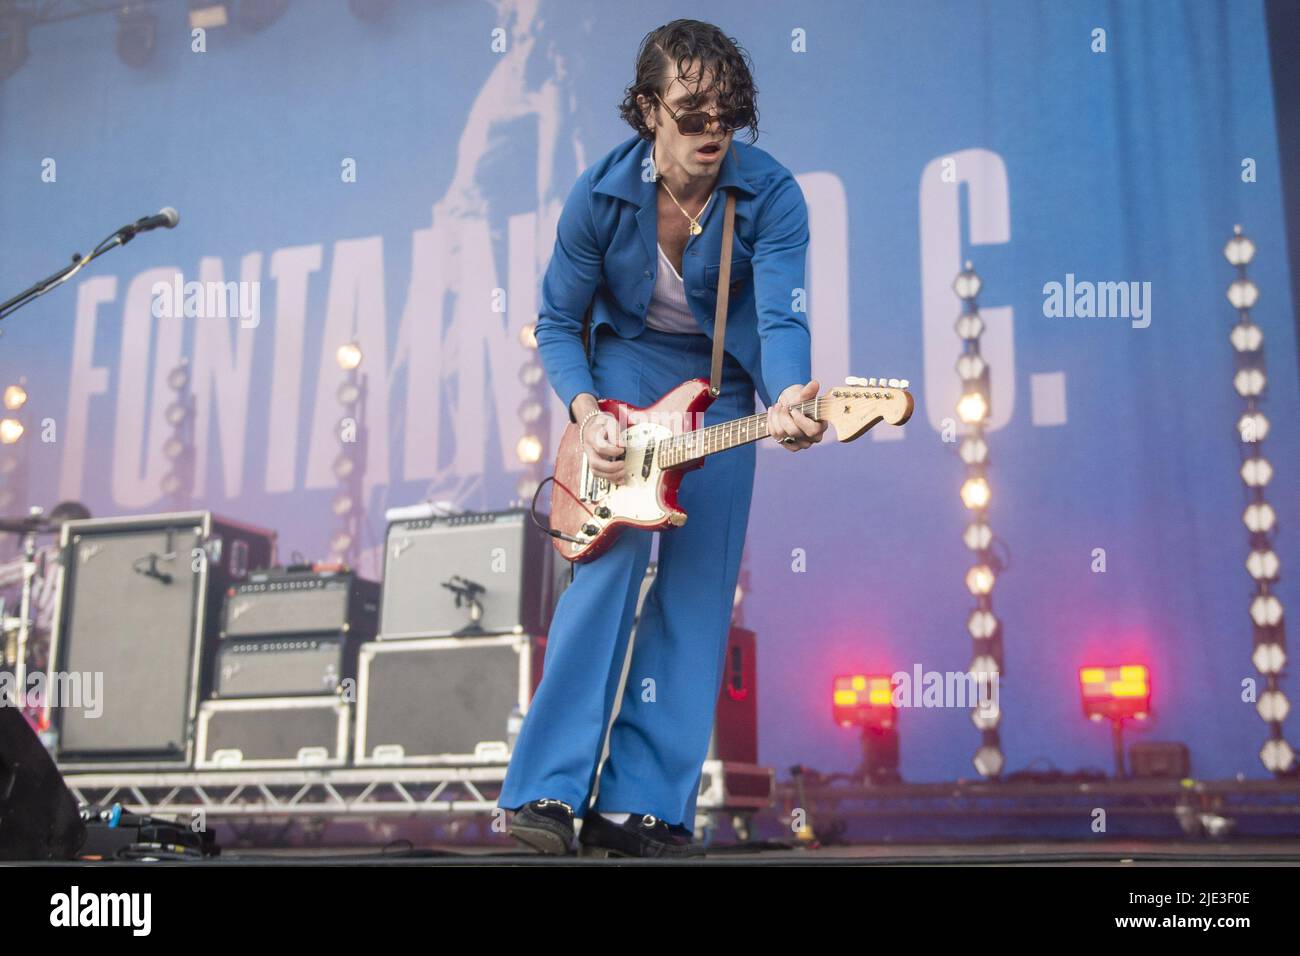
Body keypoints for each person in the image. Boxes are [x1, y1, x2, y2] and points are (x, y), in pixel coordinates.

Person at [497, 18, 826, 858]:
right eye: (692, 113)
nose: (713, 132)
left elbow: (783, 313)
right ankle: (544, 796)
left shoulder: (774, 197)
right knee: (602, 574)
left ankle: (639, 806)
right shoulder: (597, 197)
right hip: (622, 385)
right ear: (649, 110)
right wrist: (587, 415)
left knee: (697, 594)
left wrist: (791, 395)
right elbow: (554, 324)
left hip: (724, 390)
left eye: (728, 113)